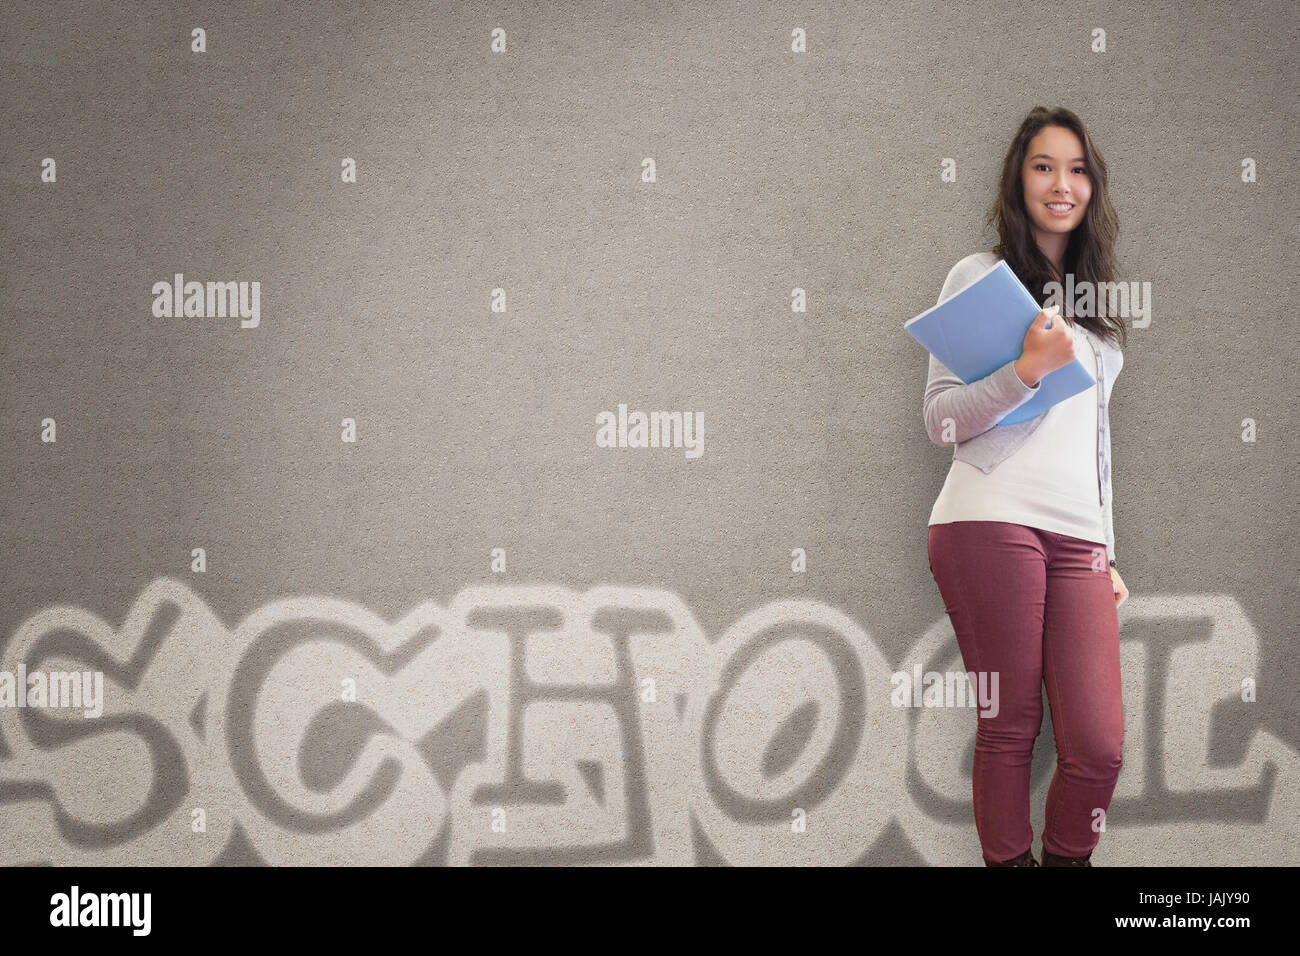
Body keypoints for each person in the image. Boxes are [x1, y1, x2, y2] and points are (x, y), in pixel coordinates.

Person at [923, 106, 1131, 867]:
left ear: (1091, 187)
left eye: (1076, 168)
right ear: (1020, 178)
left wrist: (1109, 550)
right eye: (1044, 165)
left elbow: (1098, 447)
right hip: (988, 518)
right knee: (1009, 727)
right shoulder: (980, 279)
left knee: (1098, 746)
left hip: (1079, 536)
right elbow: (941, 421)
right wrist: (1026, 372)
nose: (1061, 183)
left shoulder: (1097, 316)